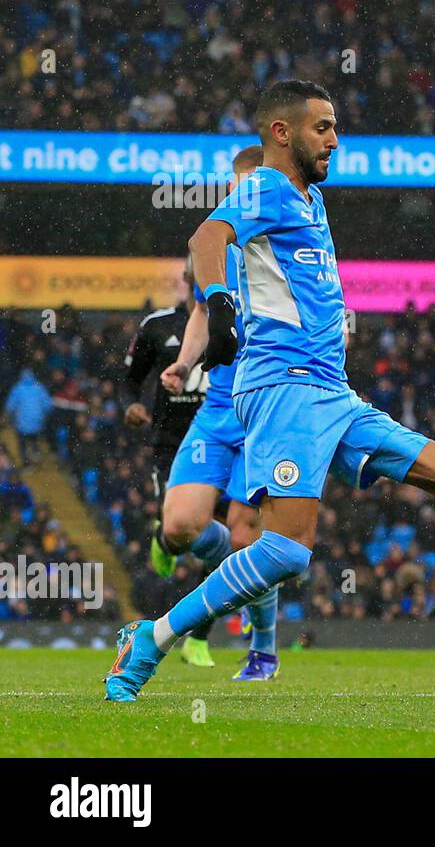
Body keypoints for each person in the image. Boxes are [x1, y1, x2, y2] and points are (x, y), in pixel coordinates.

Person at [104, 80, 435, 702]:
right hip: (283, 389)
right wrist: (217, 302)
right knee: (286, 551)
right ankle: (151, 639)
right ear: (282, 132)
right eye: (323, 127)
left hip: (332, 393)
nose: (335, 140)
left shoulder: (308, 199)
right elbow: (206, 239)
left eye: (335, 126)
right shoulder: (265, 186)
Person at [151, 144, 279, 680]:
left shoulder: (288, 249)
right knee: (179, 526)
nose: (237, 193)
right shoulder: (217, 248)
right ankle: (244, 573)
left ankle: (264, 647)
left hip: (268, 405)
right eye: (234, 184)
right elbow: (203, 308)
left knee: (250, 535)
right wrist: (183, 364)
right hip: (220, 403)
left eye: (247, 184)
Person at [121, 262, 212, 665]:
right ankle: (165, 539)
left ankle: (199, 637)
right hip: (173, 443)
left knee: (224, 541)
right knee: (183, 532)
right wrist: (133, 404)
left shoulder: (242, 320)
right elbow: (131, 377)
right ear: (191, 281)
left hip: (224, 441)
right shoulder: (158, 326)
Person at [4, 369, 52, 468]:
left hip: (21, 423)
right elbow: (48, 405)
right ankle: (36, 457)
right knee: (34, 441)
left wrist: (9, 417)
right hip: (37, 423)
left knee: (22, 444)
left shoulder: (18, 388)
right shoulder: (39, 387)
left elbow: (10, 406)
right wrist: (43, 417)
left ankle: (26, 463)